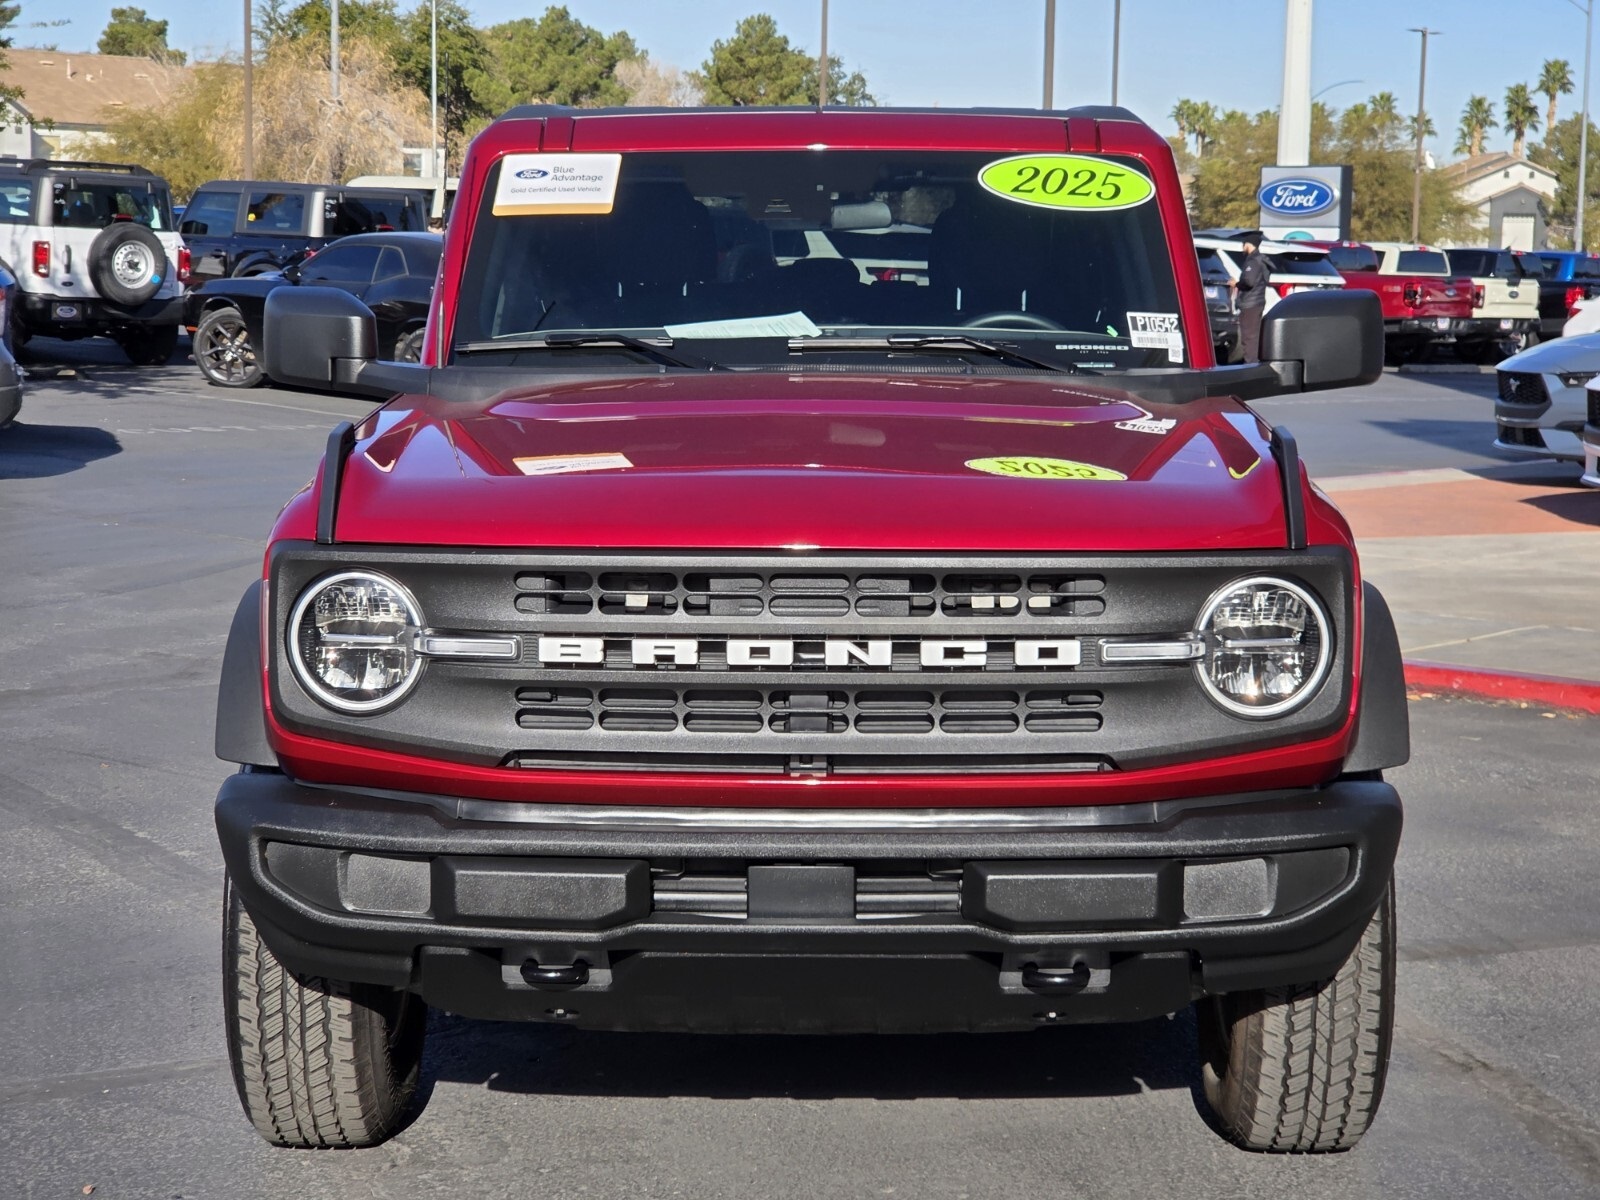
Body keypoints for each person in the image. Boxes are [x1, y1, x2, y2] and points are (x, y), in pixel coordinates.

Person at [1230, 230, 1271, 362]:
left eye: (1244, 244)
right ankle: (1252, 362)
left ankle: (1250, 364)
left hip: (1250, 303)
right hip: (1257, 302)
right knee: (1253, 336)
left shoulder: (1253, 261)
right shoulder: (1261, 260)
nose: (1243, 247)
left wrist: (1236, 283)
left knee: (1249, 337)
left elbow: (1249, 282)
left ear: (1249, 244)